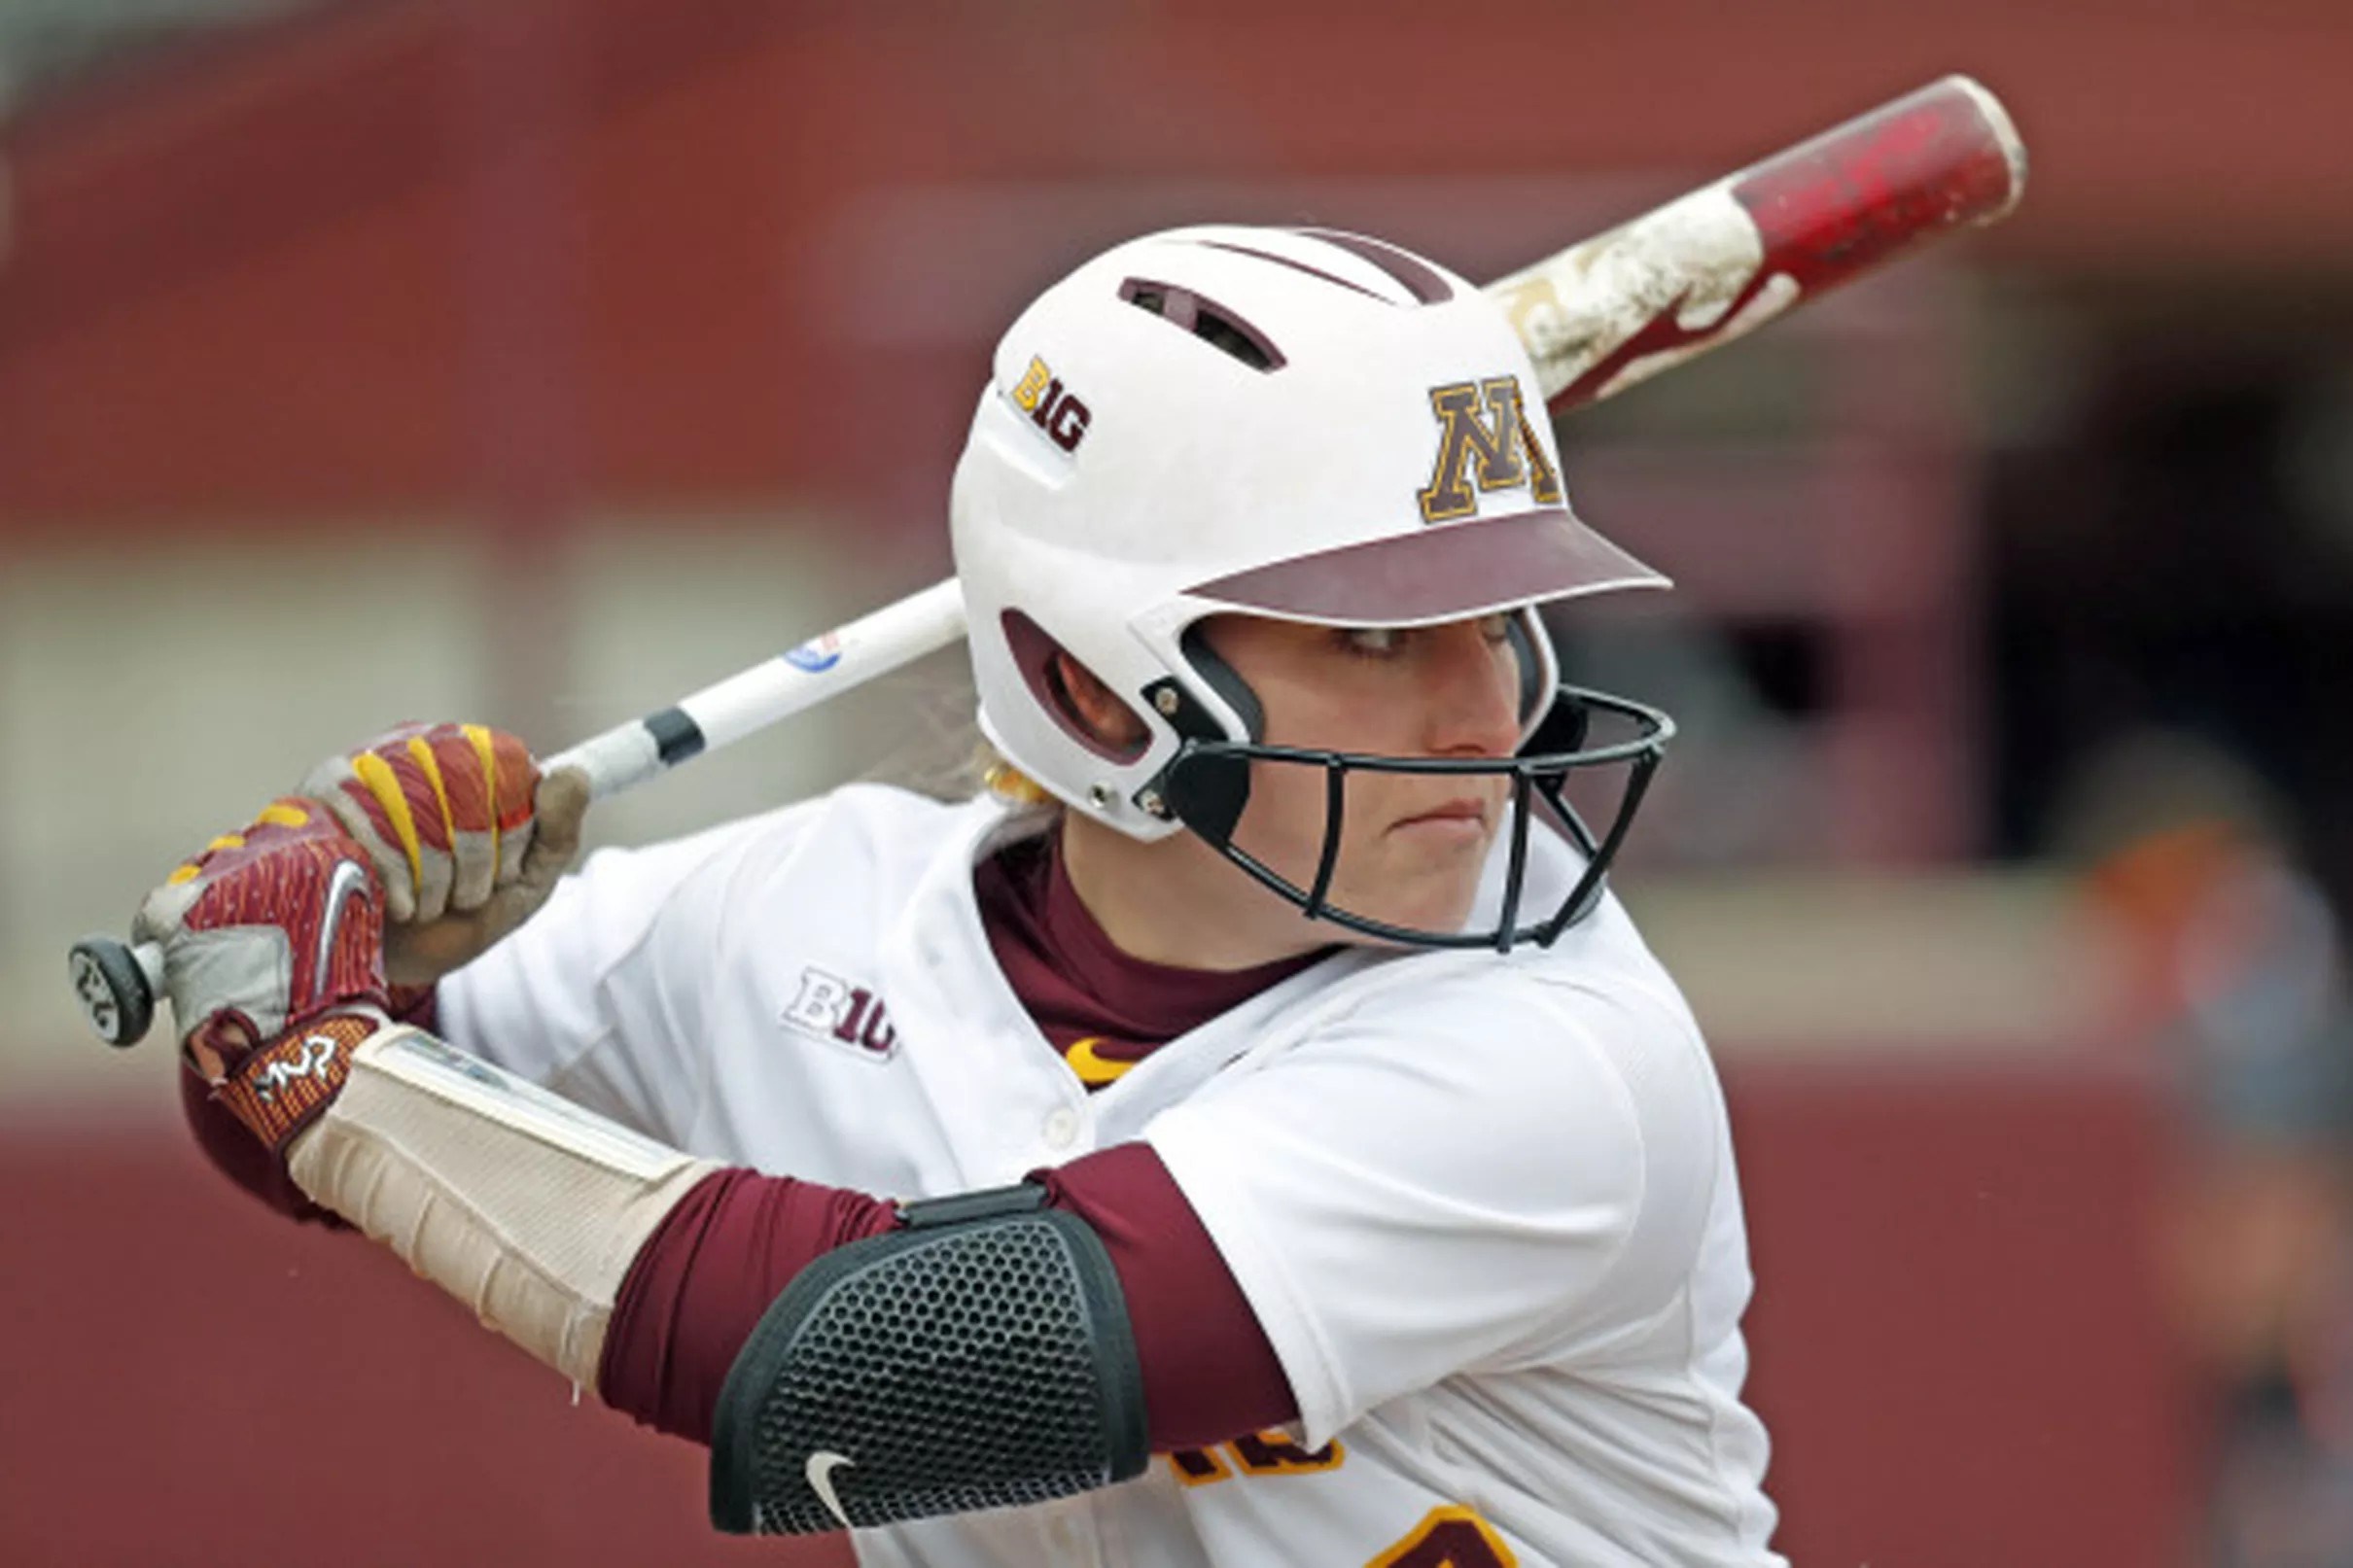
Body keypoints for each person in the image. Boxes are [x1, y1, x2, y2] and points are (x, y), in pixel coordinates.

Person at [134, 226, 1784, 1566]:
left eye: (1494, 619)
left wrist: (323, 1063)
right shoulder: (806, 908)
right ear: (1090, 685)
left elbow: (888, 1368)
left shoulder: (1555, 1058)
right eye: (1372, 636)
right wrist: (326, 946)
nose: (1485, 712)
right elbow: (285, 1139)